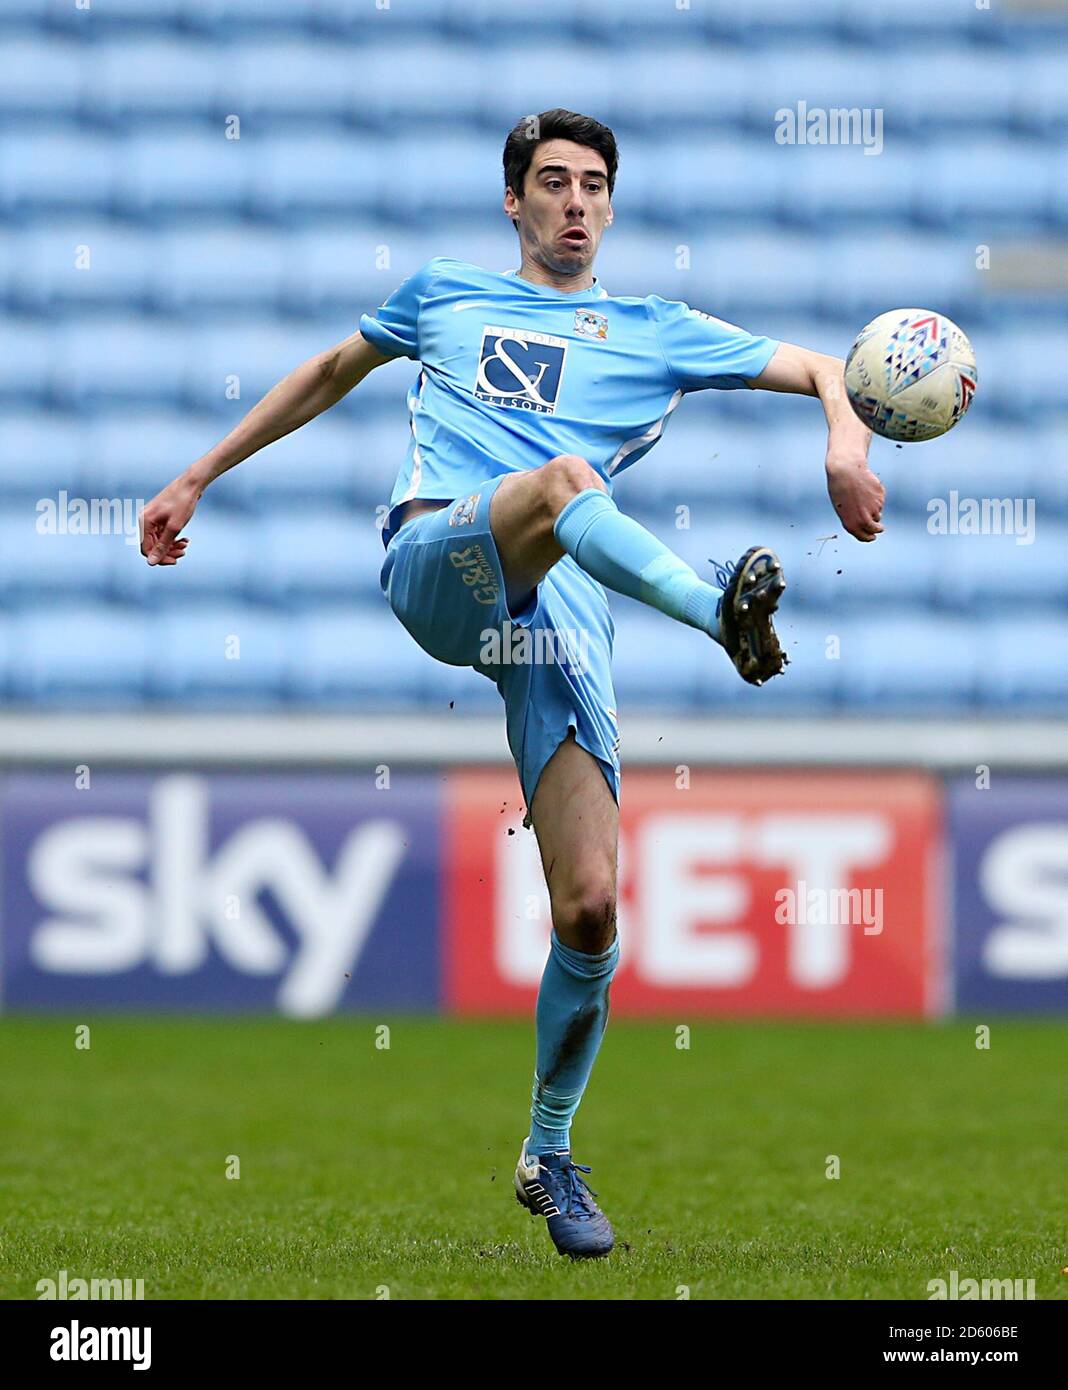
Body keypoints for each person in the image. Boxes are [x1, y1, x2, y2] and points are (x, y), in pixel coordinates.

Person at [140, 107, 884, 1260]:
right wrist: (199, 473)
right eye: (553, 182)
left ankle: (547, 1149)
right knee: (561, 478)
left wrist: (846, 441)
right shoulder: (445, 292)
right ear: (514, 201)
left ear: (613, 206)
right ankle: (713, 612)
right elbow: (335, 369)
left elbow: (828, 367)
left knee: (591, 908)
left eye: (594, 184)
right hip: (440, 552)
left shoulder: (654, 328)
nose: (576, 202)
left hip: (561, 611)